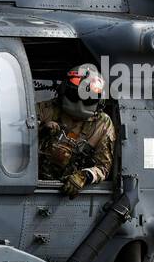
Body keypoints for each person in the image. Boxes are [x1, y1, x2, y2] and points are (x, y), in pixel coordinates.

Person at [37, 63, 115, 197]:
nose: (80, 101)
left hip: (67, 191)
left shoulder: (102, 123)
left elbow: (103, 167)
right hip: (38, 184)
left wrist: (84, 176)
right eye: (75, 93)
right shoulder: (45, 109)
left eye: (88, 97)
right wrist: (41, 133)